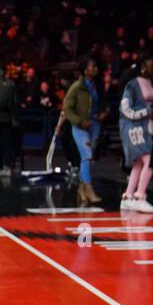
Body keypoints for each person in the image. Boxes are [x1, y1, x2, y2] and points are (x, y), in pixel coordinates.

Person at [118, 56, 153, 212]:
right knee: (149, 160)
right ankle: (139, 196)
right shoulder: (132, 85)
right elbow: (125, 109)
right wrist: (148, 111)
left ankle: (128, 196)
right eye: (151, 62)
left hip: (147, 126)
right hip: (132, 126)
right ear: (143, 65)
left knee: (139, 163)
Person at [61, 58, 102, 205]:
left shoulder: (96, 85)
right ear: (85, 70)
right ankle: (88, 189)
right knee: (87, 155)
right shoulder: (76, 87)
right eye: (93, 66)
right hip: (80, 126)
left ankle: (82, 189)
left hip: (94, 125)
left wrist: (103, 113)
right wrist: (79, 121)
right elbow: (67, 108)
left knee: (89, 159)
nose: (96, 68)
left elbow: (98, 104)